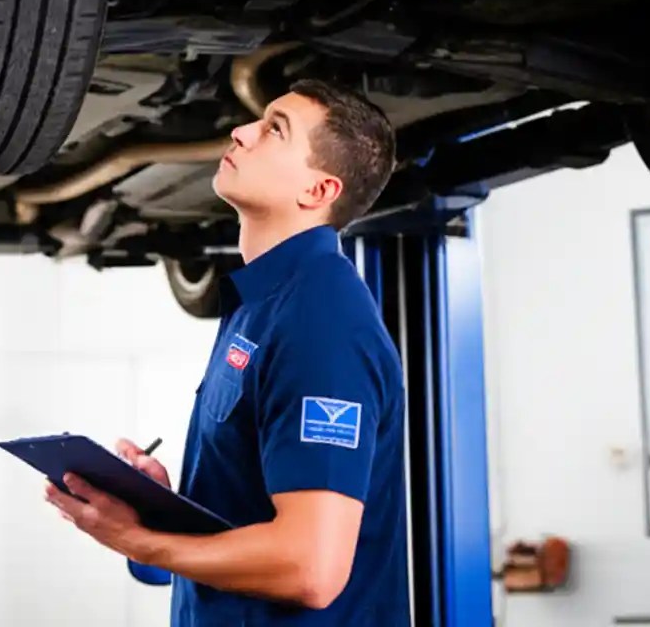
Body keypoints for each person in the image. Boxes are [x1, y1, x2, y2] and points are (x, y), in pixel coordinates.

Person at [44, 78, 408, 626]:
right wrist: (155, 513)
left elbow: (309, 568)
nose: (240, 132)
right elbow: (248, 524)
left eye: (273, 130)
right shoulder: (263, 304)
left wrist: (141, 542)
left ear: (318, 191)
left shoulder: (321, 321)